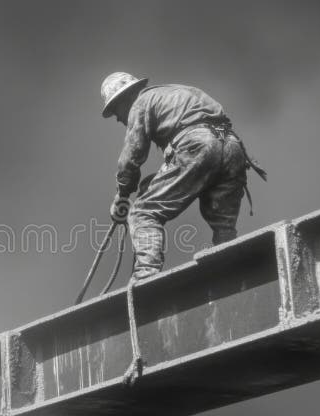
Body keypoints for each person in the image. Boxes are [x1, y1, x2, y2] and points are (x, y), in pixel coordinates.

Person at [101, 72, 266, 280]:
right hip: (232, 147)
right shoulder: (177, 92)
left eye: (115, 109)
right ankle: (230, 268)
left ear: (124, 98)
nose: (117, 118)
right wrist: (148, 185)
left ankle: (145, 276)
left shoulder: (140, 103)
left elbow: (132, 156)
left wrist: (122, 195)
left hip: (199, 145)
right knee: (223, 224)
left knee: (143, 212)